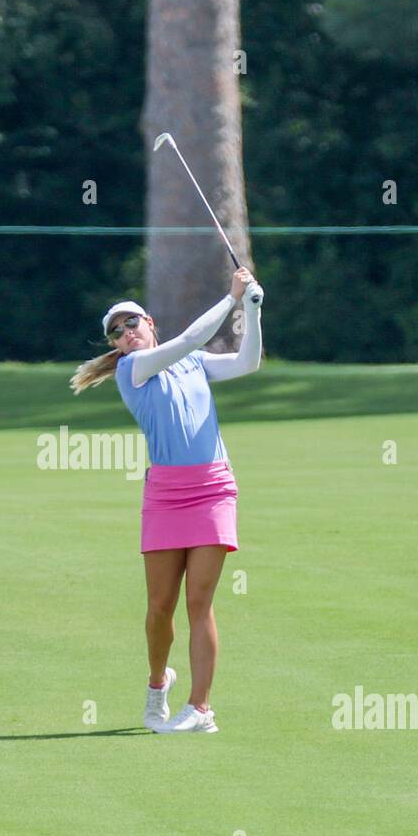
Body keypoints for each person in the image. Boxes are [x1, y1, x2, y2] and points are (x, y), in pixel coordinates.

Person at [70, 268, 264, 734]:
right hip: (165, 495)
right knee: (160, 606)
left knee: (200, 601)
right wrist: (232, 297)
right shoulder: (131, 369)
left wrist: (253, 312)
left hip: (214, 489)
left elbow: (247, 363)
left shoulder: (194, 363)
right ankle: (158, 684)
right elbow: (190, 337)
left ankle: (200, 709)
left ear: (149, 321)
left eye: (131, 323)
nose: (125, 333)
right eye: (116, 331)